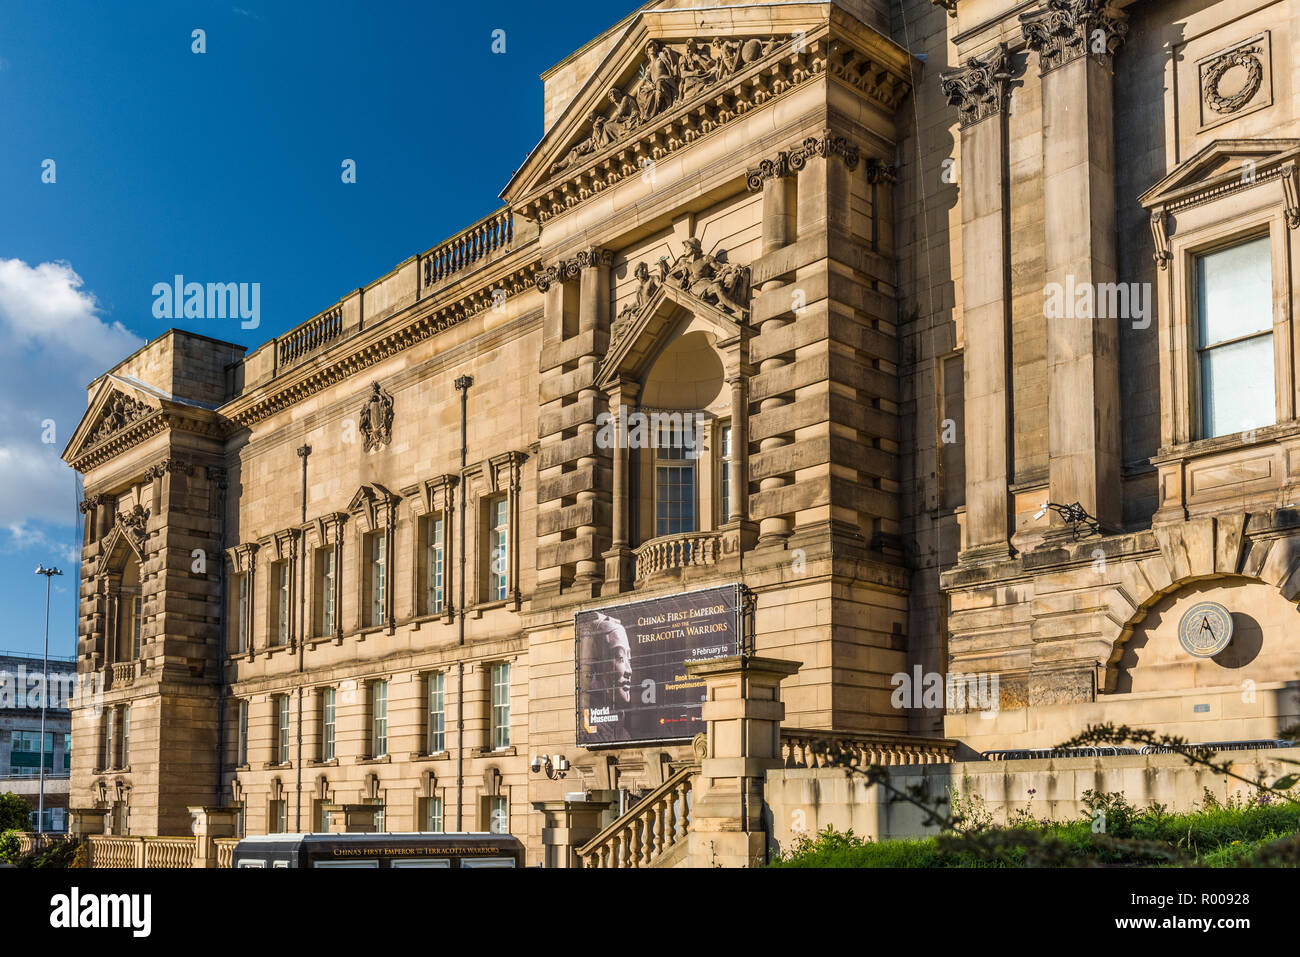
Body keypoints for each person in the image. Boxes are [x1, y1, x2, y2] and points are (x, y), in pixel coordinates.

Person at [579, 612, 634, 741]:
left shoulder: (624, 734)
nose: (629, 670)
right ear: (596, 667)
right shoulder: (590, 732)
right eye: (620, 658)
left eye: (629, 660)